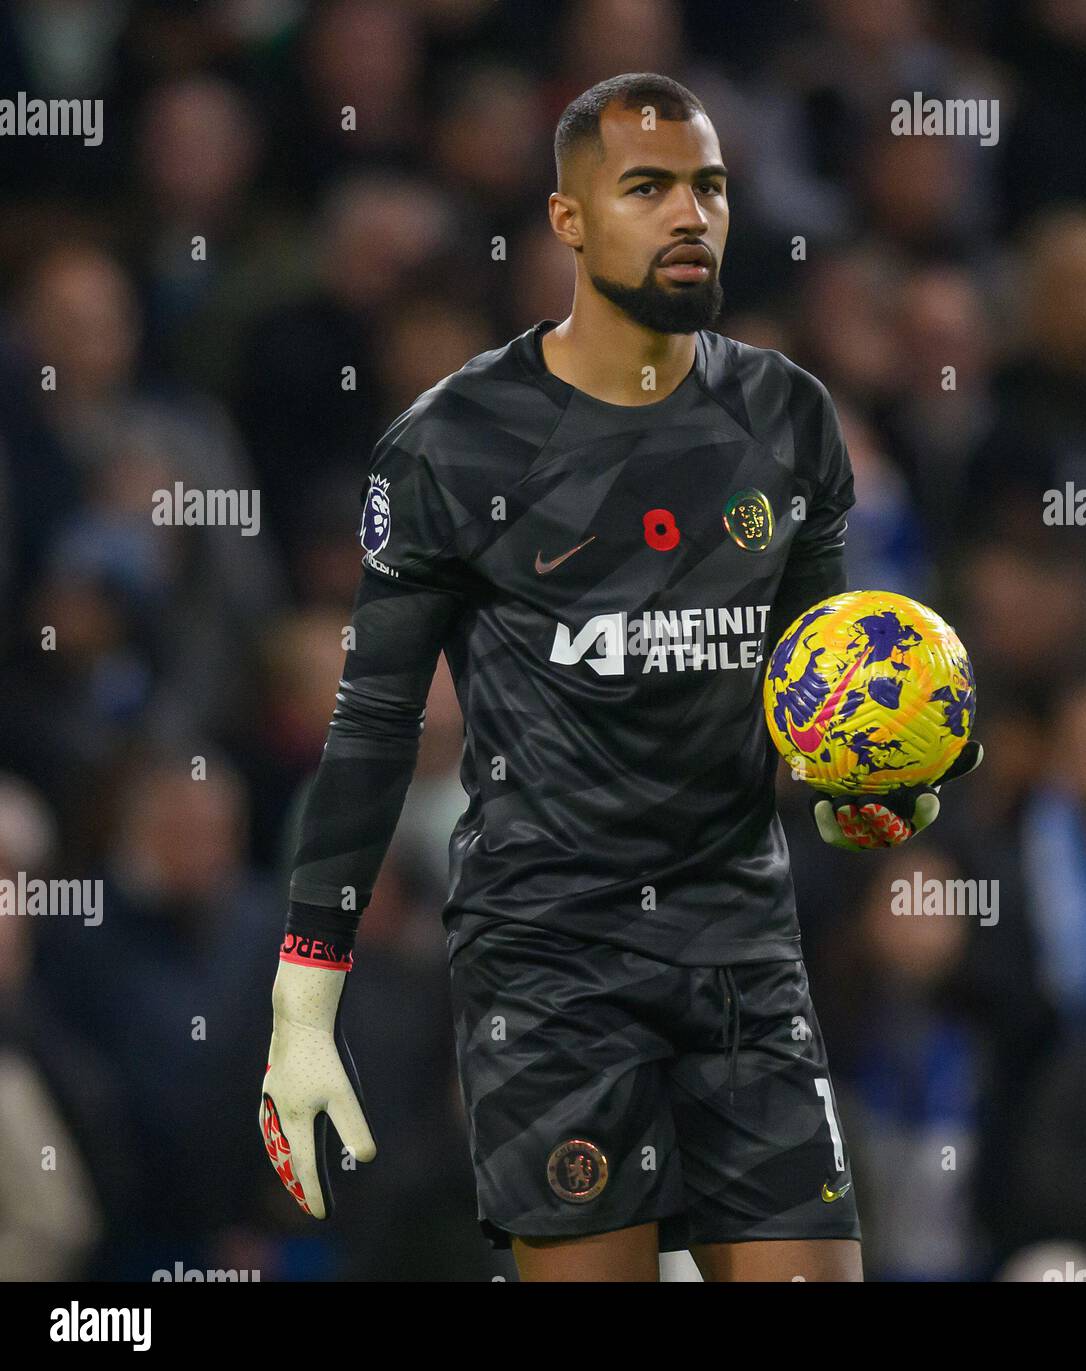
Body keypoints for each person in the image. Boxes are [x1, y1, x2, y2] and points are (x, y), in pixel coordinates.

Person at [257, 72, 981, 1283]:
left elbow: (820, 700)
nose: (688, 212)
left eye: (708, 185)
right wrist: (301, 1008)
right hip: (548, 962)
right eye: (646, 187)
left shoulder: (788, 420)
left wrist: (883, 792)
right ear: (569, 221)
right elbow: (374, 728)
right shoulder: (450, 444)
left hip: (742, 945)